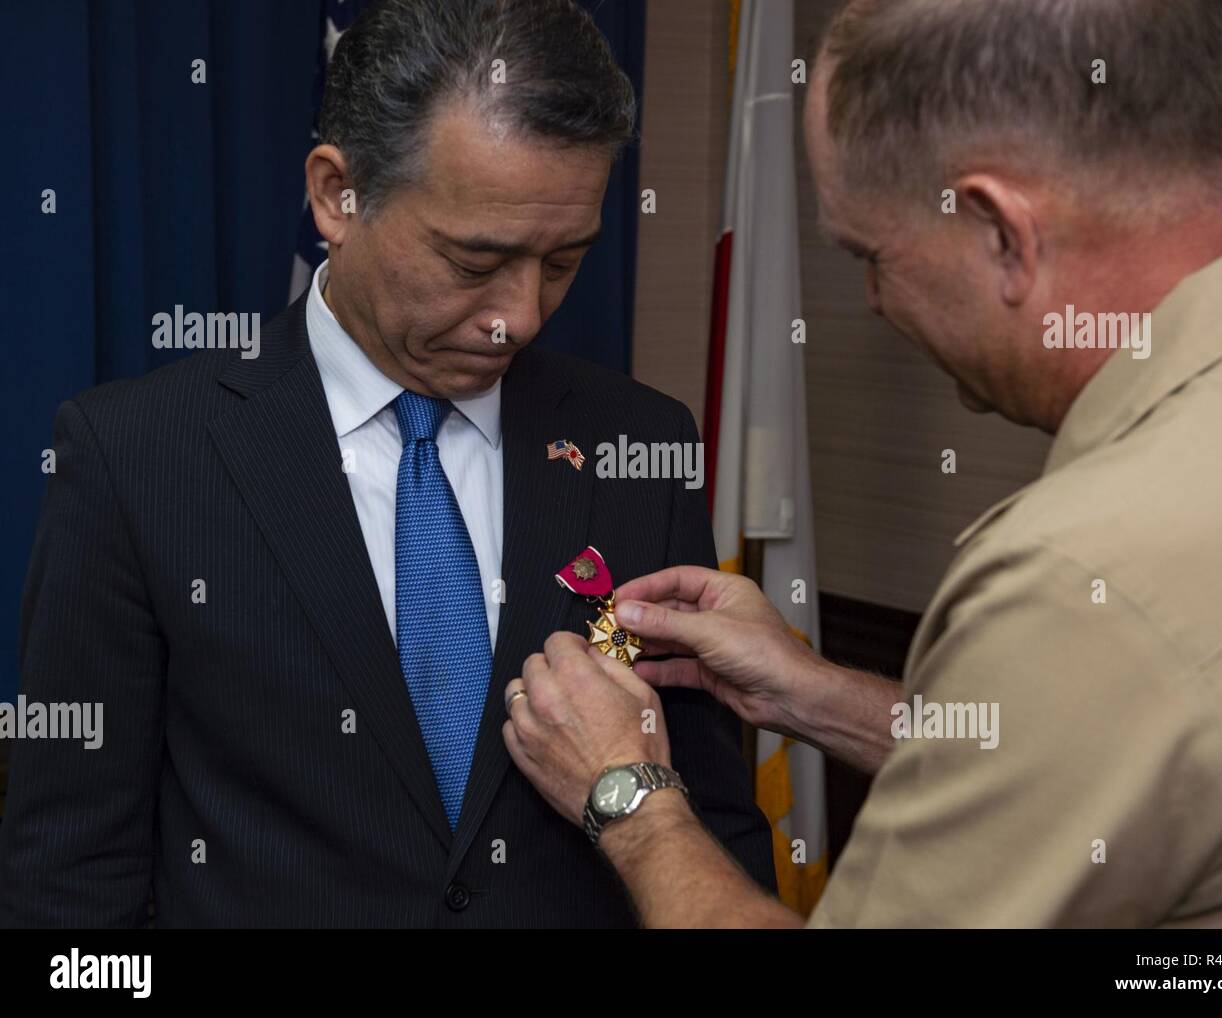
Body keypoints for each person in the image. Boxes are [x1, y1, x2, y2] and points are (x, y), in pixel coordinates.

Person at [502, 0, 1222, 927]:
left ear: (1002, 232)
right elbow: (1104, 759)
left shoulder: (1081, 579)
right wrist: (819, 695)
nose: (876, 302)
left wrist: (631, 801)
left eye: (870, 257)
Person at [0, 0, 774, 928]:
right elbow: (73, 877)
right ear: (338, 194)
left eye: (563, 262)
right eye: (473, 260)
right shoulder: (137, 457)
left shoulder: (638, 442)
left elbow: (715, 824)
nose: (518, 317)